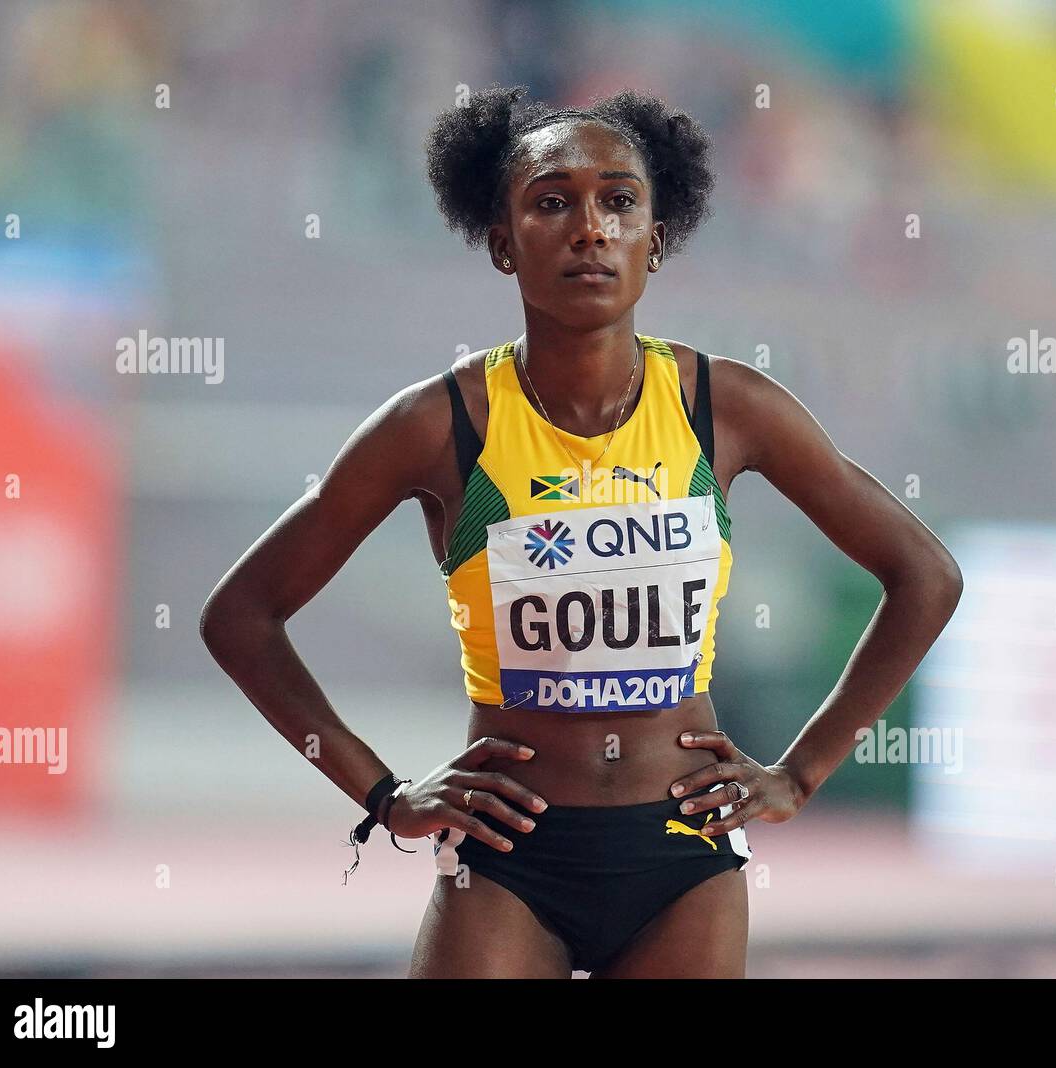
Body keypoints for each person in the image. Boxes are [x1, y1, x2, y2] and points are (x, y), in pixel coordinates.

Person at [199, 85, 963, 979]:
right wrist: (385, 794)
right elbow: (241, 616)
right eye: (552, 202)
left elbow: (925, 575)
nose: (590, 227)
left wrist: (799, 775)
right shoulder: (441, 425)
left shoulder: (726, 409)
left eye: (619, 201)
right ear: (500, 242)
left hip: (684, 853)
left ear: (657, 240)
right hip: (512, 857)